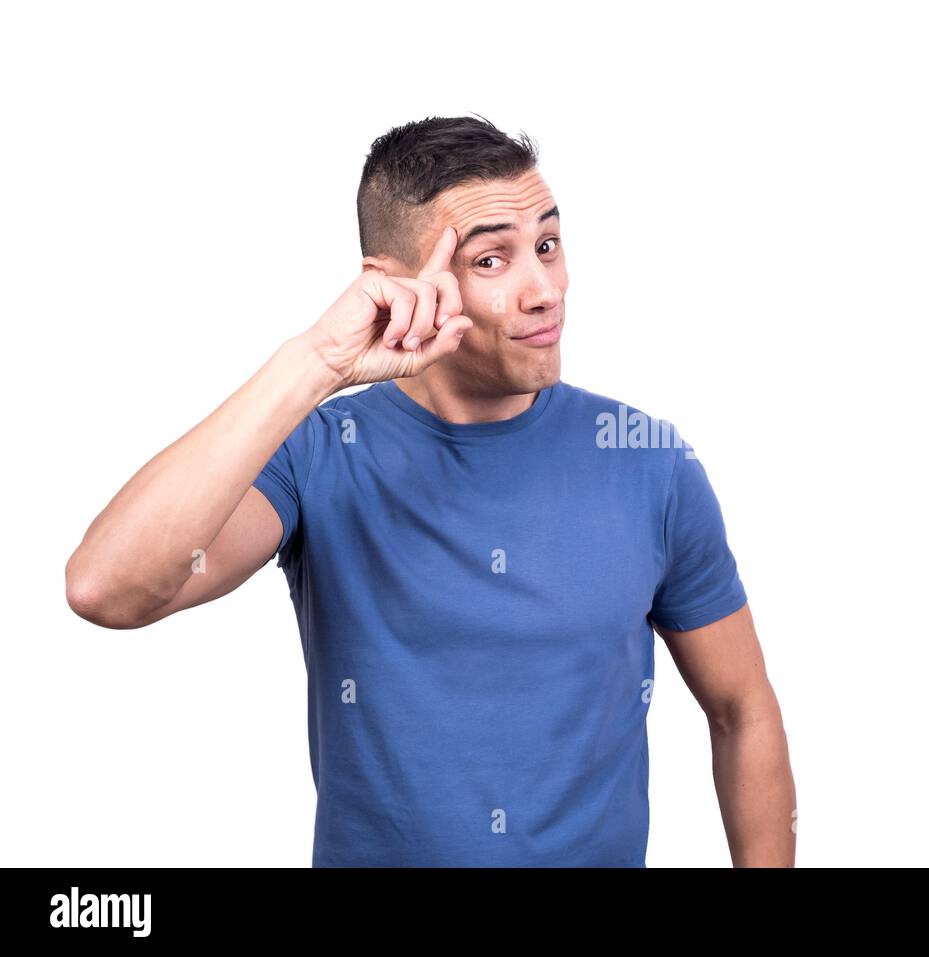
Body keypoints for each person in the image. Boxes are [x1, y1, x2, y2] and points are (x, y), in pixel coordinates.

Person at [65, 115, 796, 867]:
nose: (543, 290)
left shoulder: (650, 463)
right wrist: (315, 362)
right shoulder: (319, 453)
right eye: (491, 260)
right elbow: (107, 588)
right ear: (395, 280)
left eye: (547, 245)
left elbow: (742, 711)